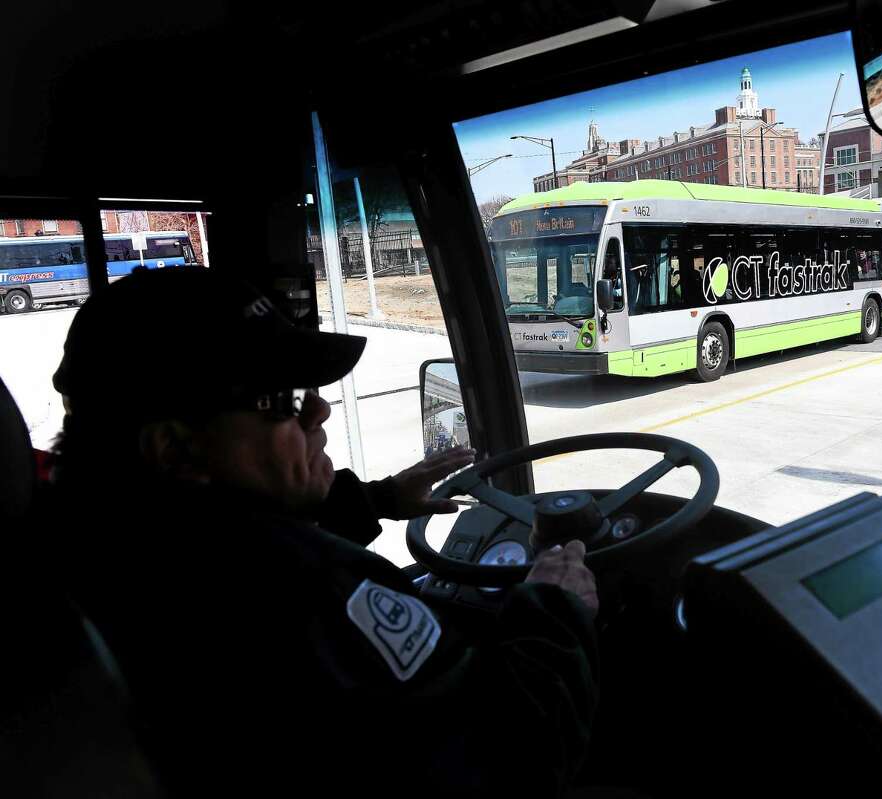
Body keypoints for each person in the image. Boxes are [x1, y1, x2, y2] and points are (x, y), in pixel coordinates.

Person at [49, 267, 600, 797]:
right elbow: (515, 755)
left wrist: (376, 500)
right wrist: (555, 610)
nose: (319, 409)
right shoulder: (299, 593)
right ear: (175, 449)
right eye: (282, 400)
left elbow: (227, 542)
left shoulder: (82, 544)